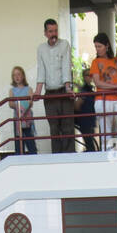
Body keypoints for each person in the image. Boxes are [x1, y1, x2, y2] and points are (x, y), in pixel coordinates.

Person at [34, 19, 74, 153]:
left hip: (63, 91)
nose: (54, 34)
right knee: (54, 128)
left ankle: (70, 158)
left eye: (56, 31)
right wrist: (38, 91)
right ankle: (57, 158)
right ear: (45, 33)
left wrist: (68, 88)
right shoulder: (41, 48)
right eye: (50, 31)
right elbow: (41, 70)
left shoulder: (64, 45)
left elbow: (66, 66)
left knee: (68, 127)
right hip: (50, 94)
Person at [7, 66, 37, 156]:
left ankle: (34, 157)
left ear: (23, 76)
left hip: (27, 118)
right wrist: (19, 106)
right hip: (17, 119)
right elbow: (10, 103)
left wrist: (23, 106)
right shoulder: (12, 90)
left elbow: (30, 102)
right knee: (18, 141)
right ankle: (19, 155)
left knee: (30, 140)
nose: (17, 77)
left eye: (18, 74)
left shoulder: (29, 89)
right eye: (14, 75)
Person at [73, 69, 99, 152]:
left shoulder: (89, 89)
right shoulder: (84, 90)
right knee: (90, 144)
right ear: (84, 77)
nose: (90, 77)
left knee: (90, 143)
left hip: (90, 120)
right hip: (85, 120)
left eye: (91, 75)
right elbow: (77, 105)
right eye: (88, 75)